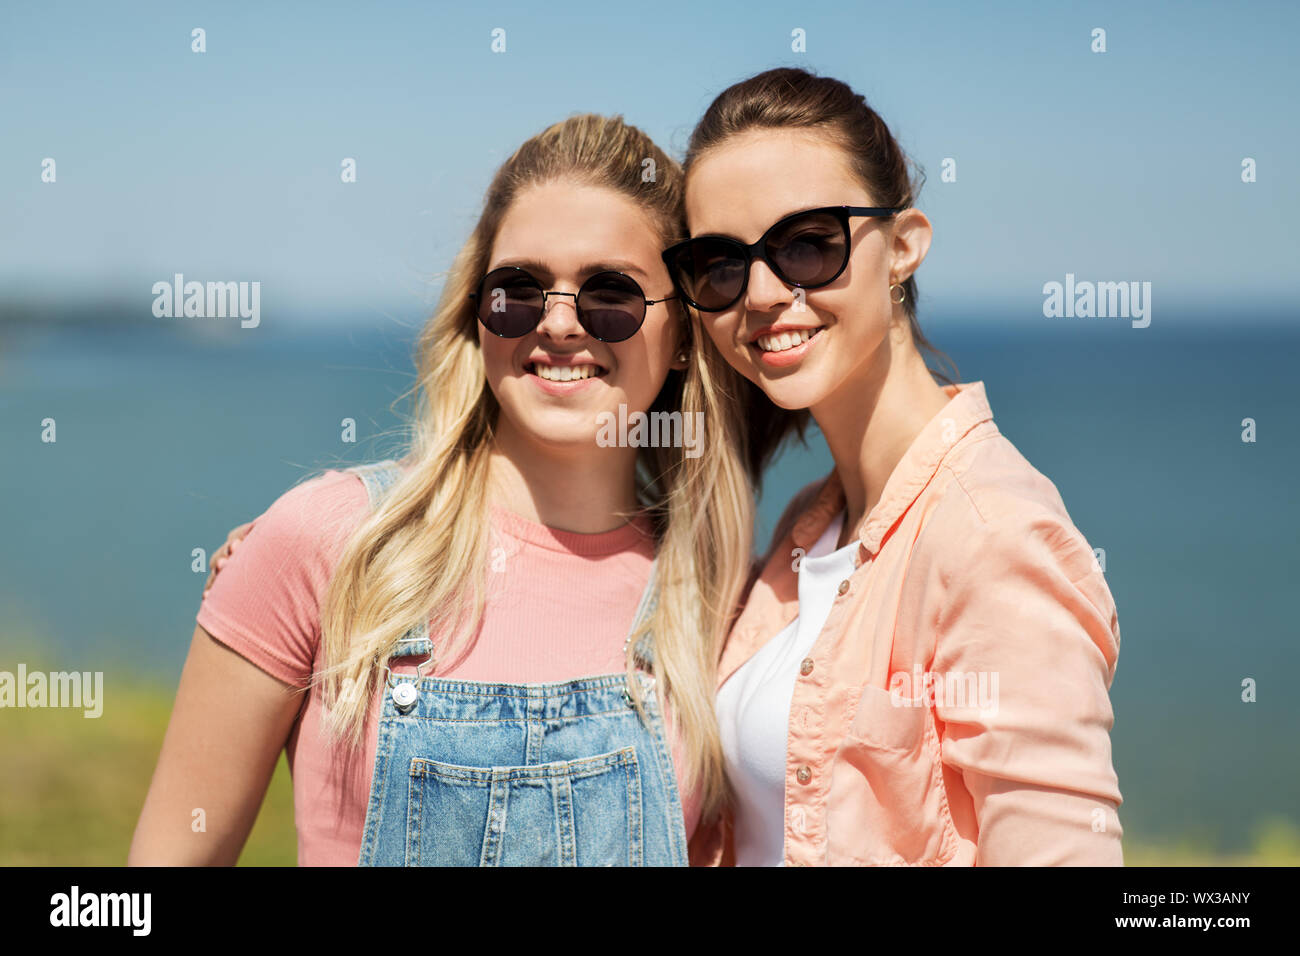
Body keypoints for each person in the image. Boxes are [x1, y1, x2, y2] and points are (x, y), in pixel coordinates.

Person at [129, 113, 755, 867]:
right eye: (517, 289)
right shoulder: (331, 543)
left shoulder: (717, 598)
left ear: (684, 334)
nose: (558, 323)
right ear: (476, 311)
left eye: (609, 294)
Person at [662, 67, 1125, 866]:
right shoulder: (809, 528)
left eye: (808, 243)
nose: (764, 293)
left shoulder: (991, 534)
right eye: (721, 265)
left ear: (904, 246)